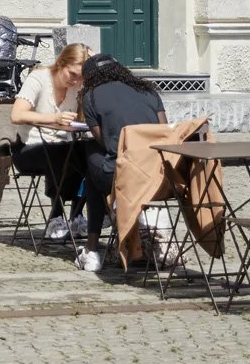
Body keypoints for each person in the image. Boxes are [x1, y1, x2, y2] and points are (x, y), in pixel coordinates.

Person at [74, 54, 167, 274]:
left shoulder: (91, 96)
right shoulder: (148, 91)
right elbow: (164, 130)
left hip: (125, 175)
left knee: (91, 170)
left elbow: (104, 141)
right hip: (161, 177)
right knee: (97, 171)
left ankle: (92, 248)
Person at [10, 42, 91, 242]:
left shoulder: (78, 86)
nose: (76, 81)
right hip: (29, 148)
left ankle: (78, 214)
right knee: (60, 153)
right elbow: (17, 114)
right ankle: (56, 216)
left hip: (63, 147)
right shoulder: (39, 78)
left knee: (90, 152)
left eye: (81, 77)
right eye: (72, 74)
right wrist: (54, 119)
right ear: (60, 63)